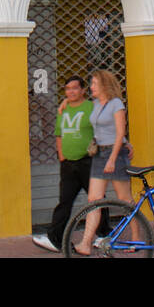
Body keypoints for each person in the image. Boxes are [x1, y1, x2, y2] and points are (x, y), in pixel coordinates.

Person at [31, 76, 109, 253]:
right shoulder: (63, 110)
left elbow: (104, 128)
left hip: (88, 161)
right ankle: (55, 239)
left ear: (83, 90)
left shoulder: (91, 107)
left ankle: (104, 234)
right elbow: (59, 133)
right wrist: (61, 156)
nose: (71, 92)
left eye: (75, 88)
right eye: (67, 89)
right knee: (64, 202)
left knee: (97, 200)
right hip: (68, 164)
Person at [71, 69, 134, 255]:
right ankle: (85, 243)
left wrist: (114, 158)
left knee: (125, 199)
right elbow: (83, 109)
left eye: (94, 84)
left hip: (115, 154)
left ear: (105, 85)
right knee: (94, 200)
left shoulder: (116, 104)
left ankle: (137, 238)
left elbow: (120, 132)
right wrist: (66, 102)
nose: (91, 87)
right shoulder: (96, 104)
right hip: (100, 154)